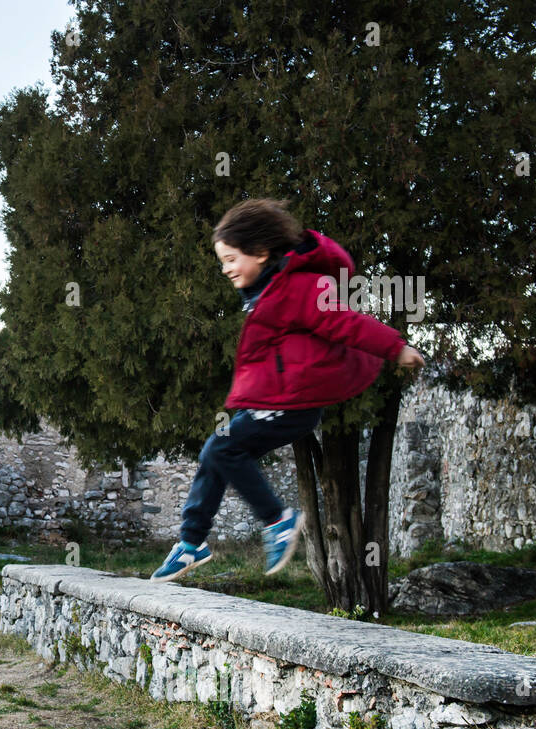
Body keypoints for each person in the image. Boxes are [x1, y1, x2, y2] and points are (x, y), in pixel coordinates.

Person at [150, 198, 425, 582]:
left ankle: (278, 521)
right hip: (272, 401)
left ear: (261, 253)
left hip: (291, 404)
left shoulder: (297, 287)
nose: (226, 270)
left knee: (222, 447)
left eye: (231, 259)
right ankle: (191, 543)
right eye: (222, 262)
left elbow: (347, 322)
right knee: (215, 453)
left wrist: (396, 348)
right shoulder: (264, 291)